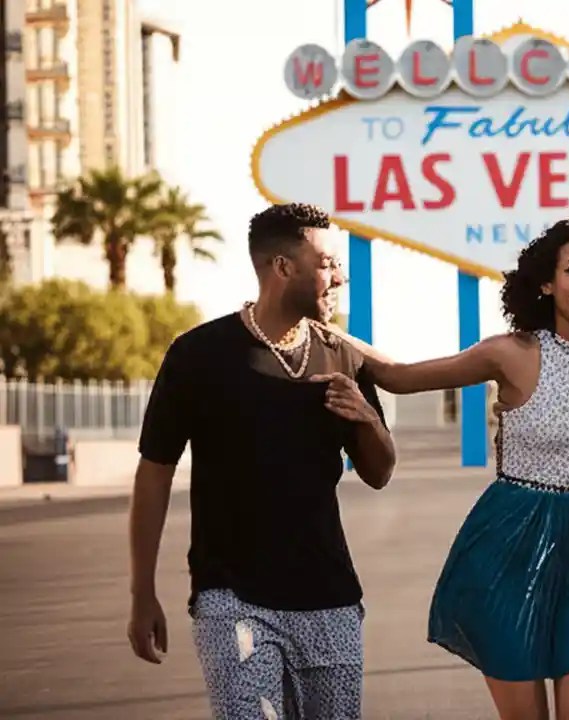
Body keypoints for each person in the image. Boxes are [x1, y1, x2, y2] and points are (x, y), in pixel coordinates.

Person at [350, 218, 569, 720]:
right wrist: (326, 334)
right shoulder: (511, 354)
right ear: (546, 282)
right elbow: (399, 378)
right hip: (507, 549)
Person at [126, 202, 397, 719]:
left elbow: (379, 473)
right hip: (233, 598)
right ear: (282, 267)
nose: (338, 275)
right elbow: (155, 473)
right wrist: (143, 592)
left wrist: (367, 418)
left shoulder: (342, 355)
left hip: (330, 598)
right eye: (325, 263)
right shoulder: (198, 355)